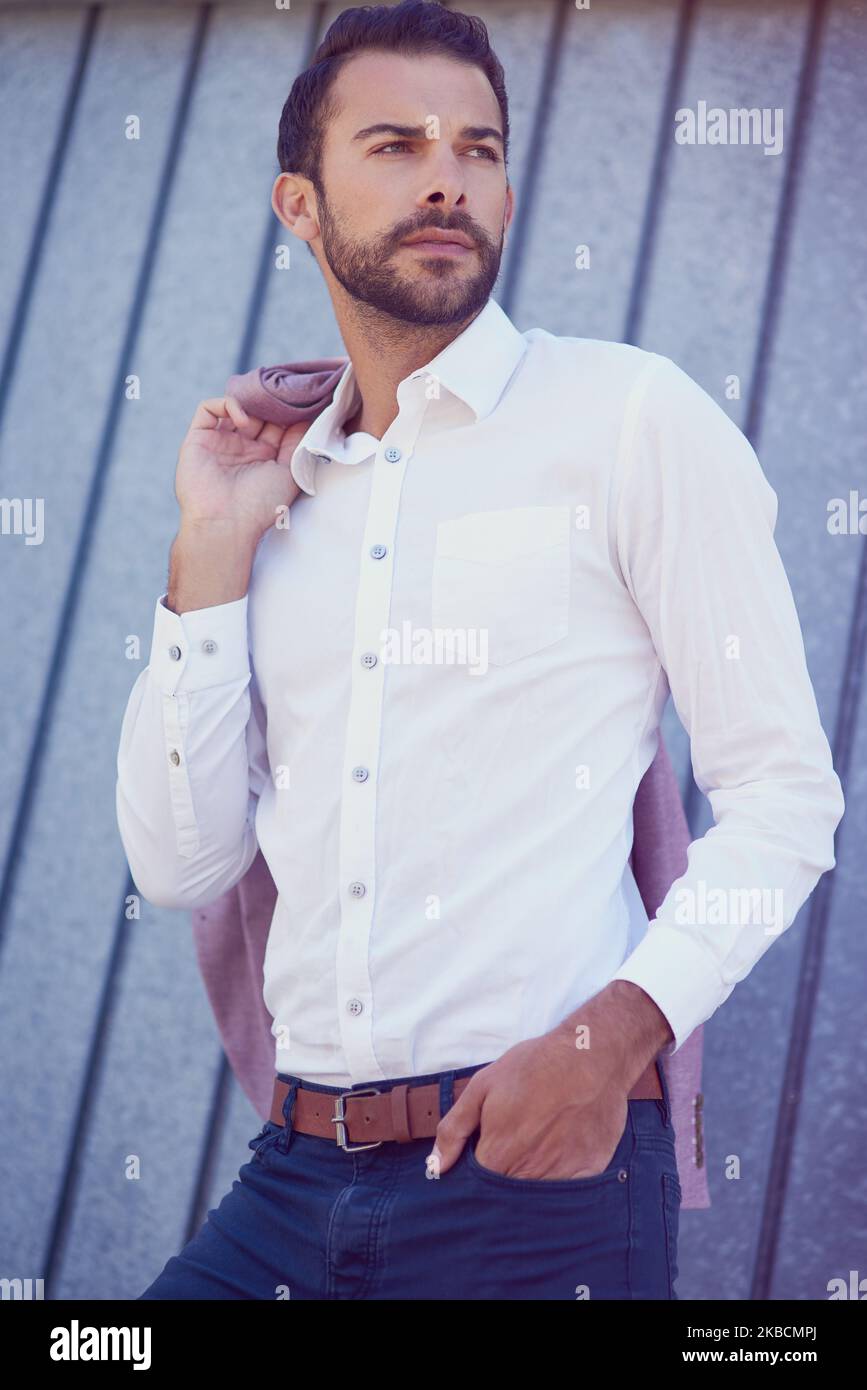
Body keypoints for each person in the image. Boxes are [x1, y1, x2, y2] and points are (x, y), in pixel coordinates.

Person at [117, 0, 844, 1300]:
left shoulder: (629, 420)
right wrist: (207, 551)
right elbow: (181, 865)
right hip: (292, 1169)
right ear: (298, 203)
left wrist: (608, 1041)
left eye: (481, 149)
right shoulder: (275, 494)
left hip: (534, 1177)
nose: (448, 175)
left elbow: (787, 801)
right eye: (394, 144)